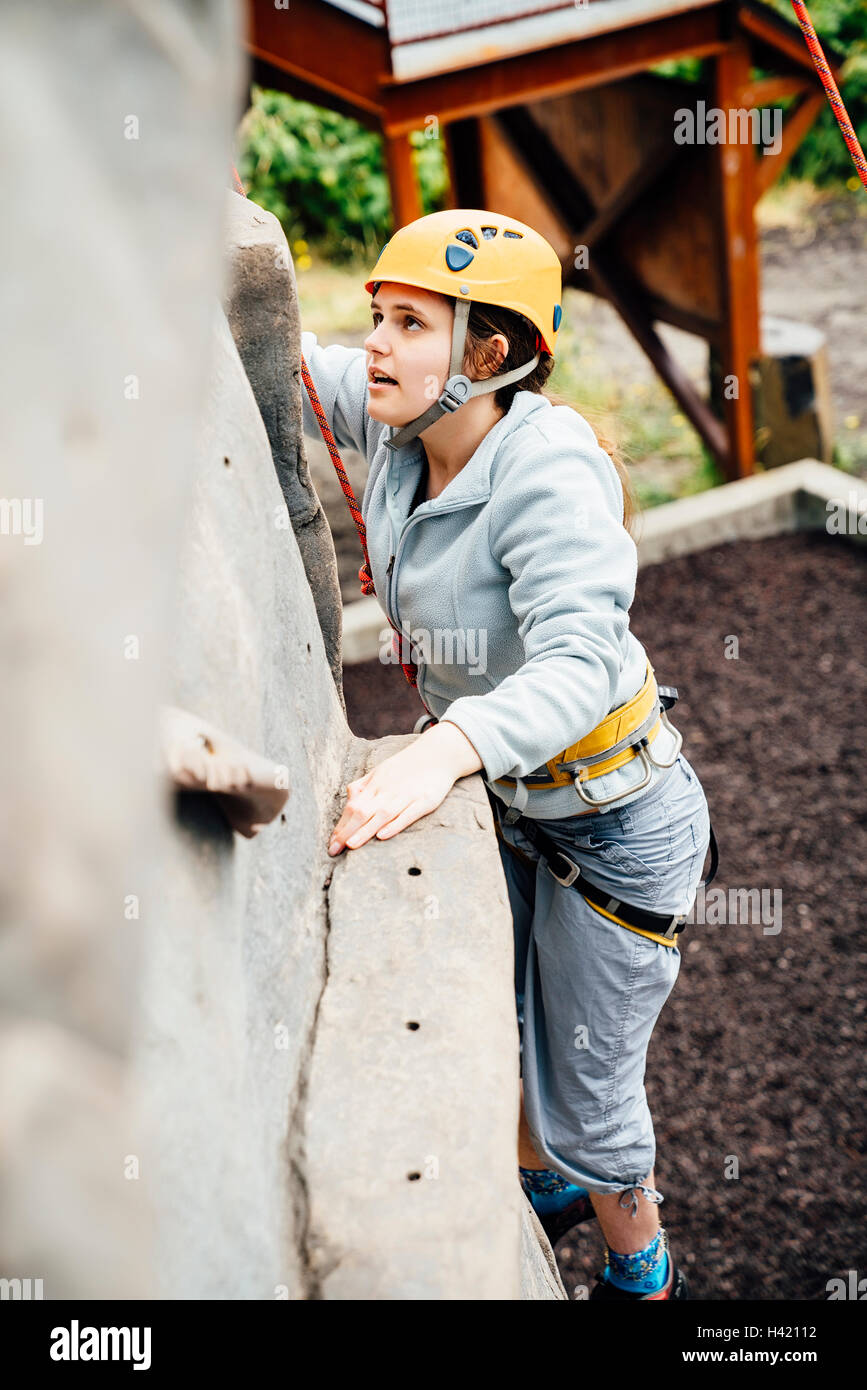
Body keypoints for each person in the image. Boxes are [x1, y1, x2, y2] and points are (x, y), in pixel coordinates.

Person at [300, 209, 712, 1301]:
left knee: (585, 1089)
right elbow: (290, 361)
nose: (376, 343)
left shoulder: (546, 472)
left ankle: (642, 1272)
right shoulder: (402, 426)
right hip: (523, 800)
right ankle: (546, 1184)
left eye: (411, 324)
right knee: (512, 1023)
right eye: (378, 315)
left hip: (616, 827)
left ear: (488, 356)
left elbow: (581, 659)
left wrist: (447, 750)